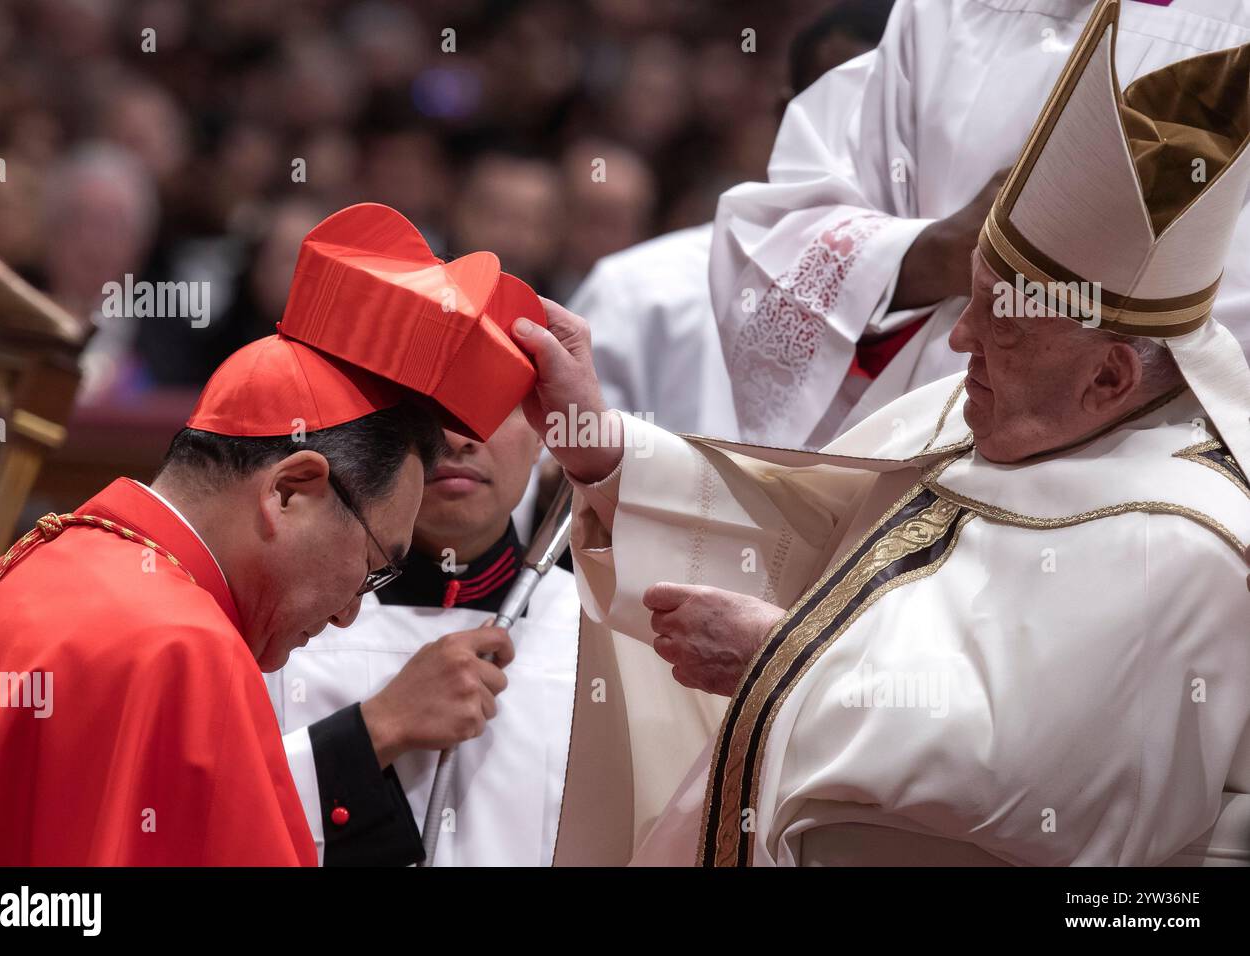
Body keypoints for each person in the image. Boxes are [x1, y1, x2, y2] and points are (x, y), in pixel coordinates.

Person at [515, 0, 1250, 866]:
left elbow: (1046, 790)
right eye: (967, 299)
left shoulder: (1189, 541)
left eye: (999, 320)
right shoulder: (963, 416)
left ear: (1110, 377)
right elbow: (800, 526)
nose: (956, 339)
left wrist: (780, 658)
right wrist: (603, 447)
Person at [0, 204, 544, 865]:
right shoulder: (184, 649)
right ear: (290, 492)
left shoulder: (20, 568)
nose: (351, 610)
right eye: (375, 564)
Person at [710, 0, 1250, 450]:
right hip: (890, 446)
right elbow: (778, 232)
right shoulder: (948, 9)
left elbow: (1223, 346)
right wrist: (938, 252)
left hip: (1124, 472)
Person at [568, 0, 894, 439]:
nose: (863, 143)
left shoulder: (969, 310)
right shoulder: (640, 294)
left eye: (892, 121)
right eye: (837, 112)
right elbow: (562, 479)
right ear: (785, 118)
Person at [268, 407, 579, 865]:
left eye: (496, 403)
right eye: (431, 407)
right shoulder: (286, 624)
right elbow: (221, 819)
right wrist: (376, 729)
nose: (457, 440)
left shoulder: (597, 632)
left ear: (541, 435)